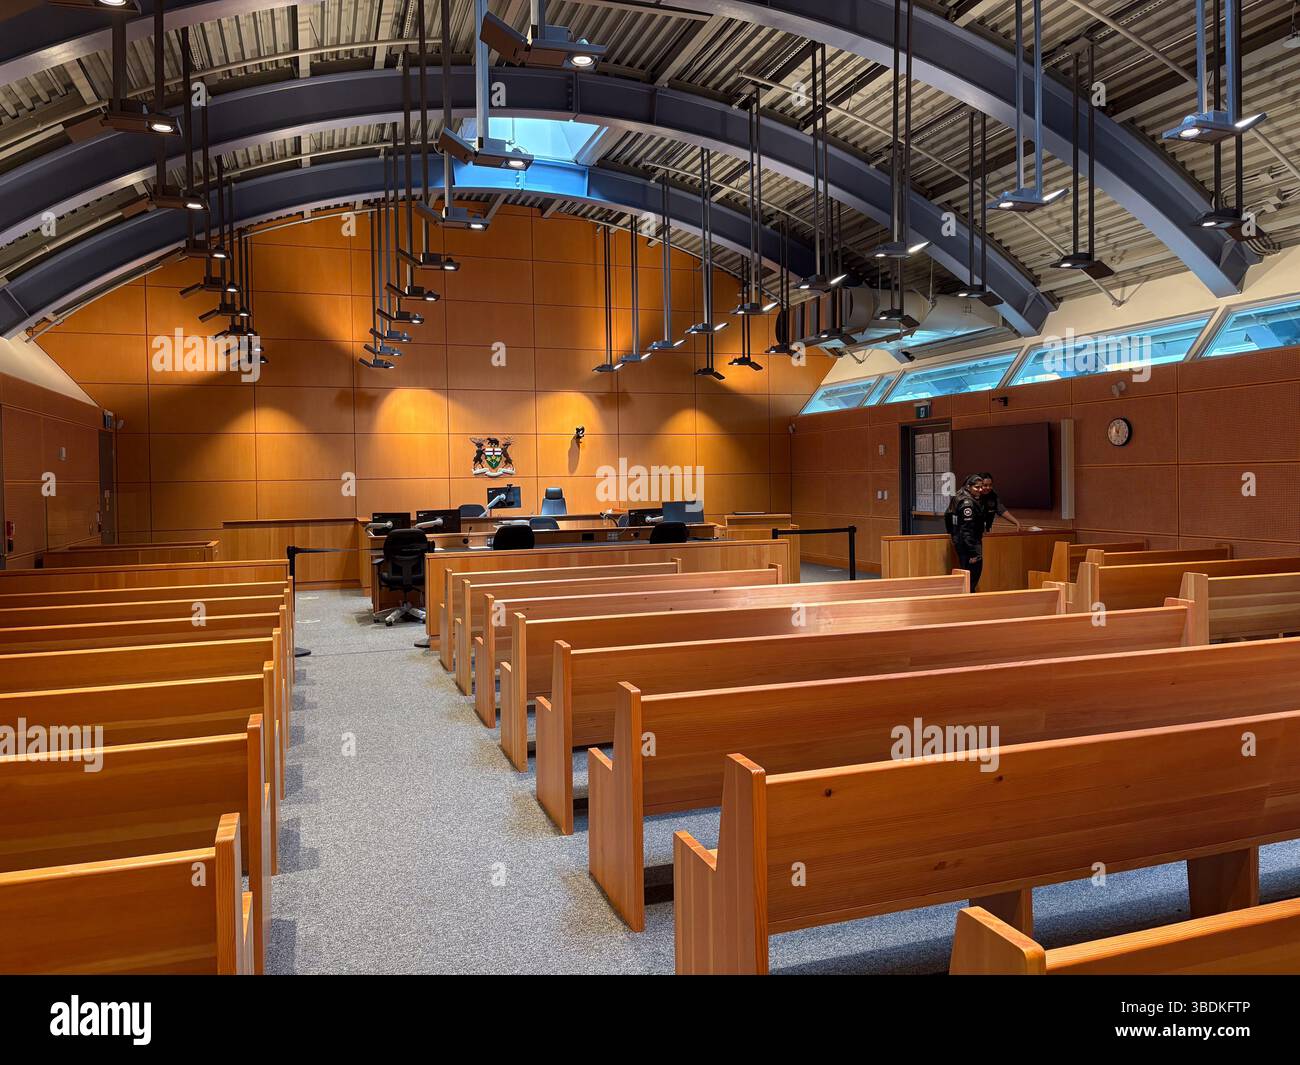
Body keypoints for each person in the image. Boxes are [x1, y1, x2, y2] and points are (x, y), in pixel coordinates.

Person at [944, 474, 987, 591]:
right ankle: (969, 601)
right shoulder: (967, 502)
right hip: (969, 545)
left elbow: (947, 515)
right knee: (972, 576)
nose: (980, 490)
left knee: (967, 575)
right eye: (977, 487)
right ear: (969, 486)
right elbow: (967, 530)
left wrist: (952, 534)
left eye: (981, 487)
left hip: (960, 541)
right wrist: (973, 552)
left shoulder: (958, 496)